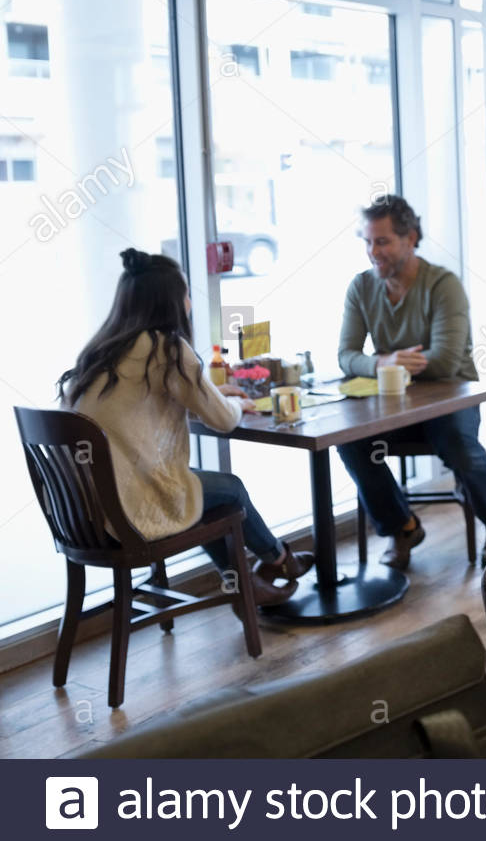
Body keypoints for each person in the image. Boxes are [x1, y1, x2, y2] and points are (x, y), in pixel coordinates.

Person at [59, 249, 312, 607]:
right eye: (188, 294)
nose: (191, 302)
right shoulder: (166, 348)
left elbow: (144, 406)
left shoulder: (101, 350)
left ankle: (246, 586)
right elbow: (223, 420)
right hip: (127, 517)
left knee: (200, 491)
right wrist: (236, 403)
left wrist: (209, 392)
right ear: (172, 302)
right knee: (230, 490)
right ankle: (278, 560)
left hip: (86, 518)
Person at [336, 195, 486, 570]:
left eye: (381, 242)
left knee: (454, 440)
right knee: (352, 443)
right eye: (367, 242)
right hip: (396, 406)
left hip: (452, 397)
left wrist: (384, 366)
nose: (372, 252)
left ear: (410, 237)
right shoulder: (360, 287)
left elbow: (447, 360)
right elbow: (345, 356)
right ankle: (403, 526)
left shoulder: (443, 285)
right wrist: (385, 361)